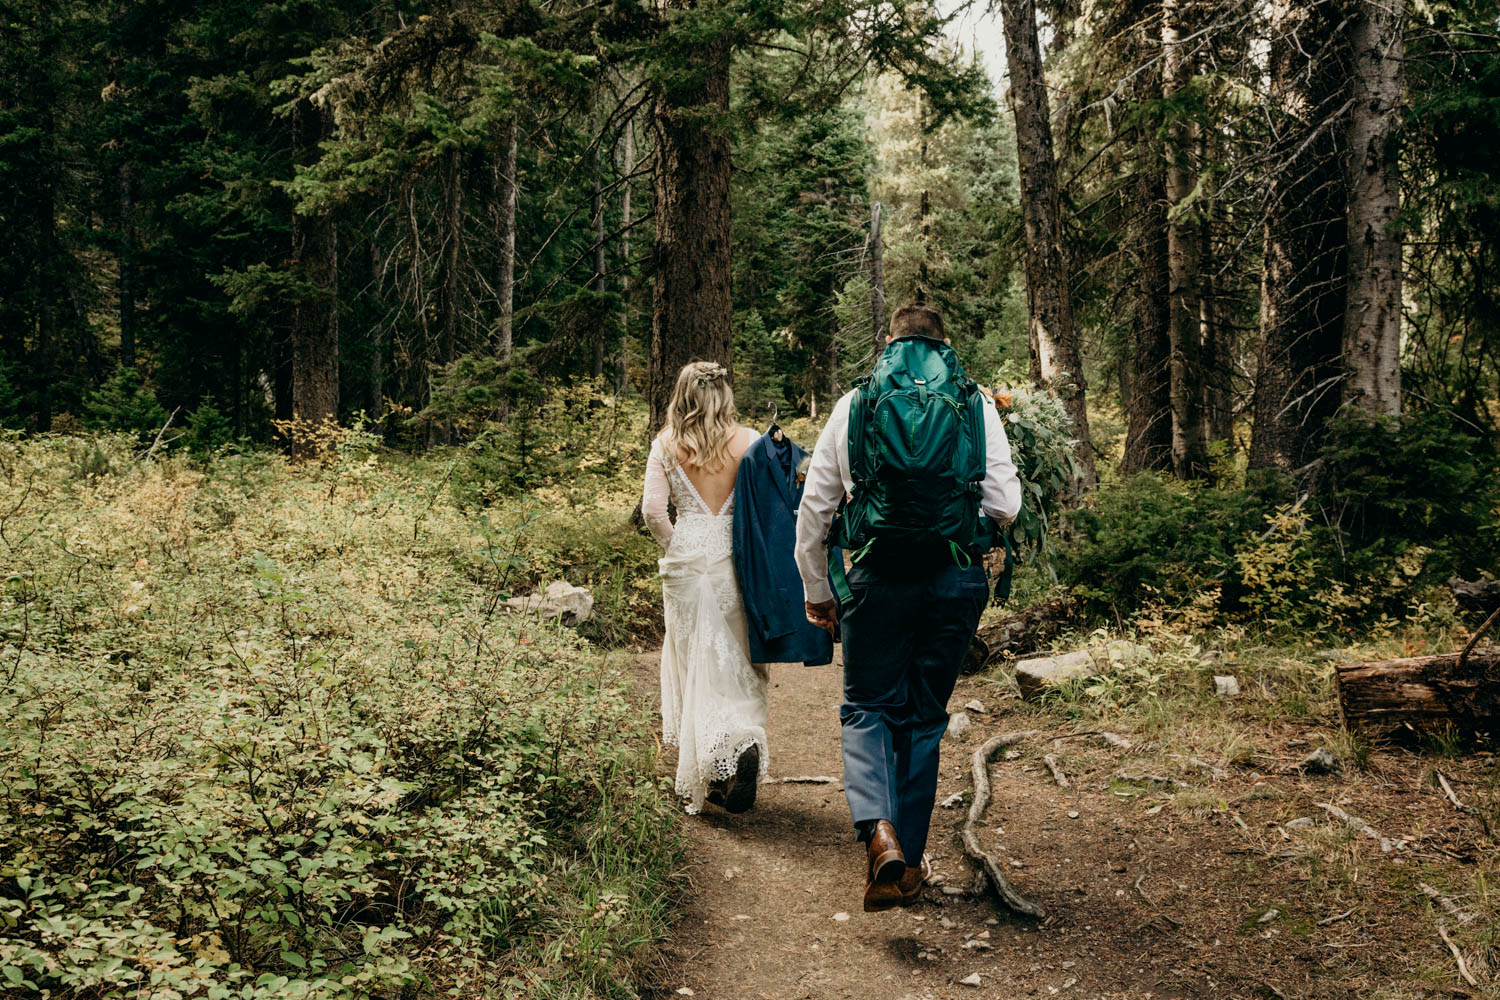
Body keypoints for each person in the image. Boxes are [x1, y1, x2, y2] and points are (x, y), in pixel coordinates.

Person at [795, 304, 1022, 911]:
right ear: (944, 345)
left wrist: (819, 591)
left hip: (875, 574)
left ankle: (878, 833)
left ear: (889, 342)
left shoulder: (857, 403)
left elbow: (815, 511)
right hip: (953, 577)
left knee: (868, 706)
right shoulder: (975, 404)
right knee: (924, 715)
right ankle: (910, 863)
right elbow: (1005, 505)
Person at [641, 361, 769, 815]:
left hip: (687, 557)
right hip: (735, 558)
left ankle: (717, 768)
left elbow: (654, 511)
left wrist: (679, 542)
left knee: (695, 660)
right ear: (724, 394)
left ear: (682, 394)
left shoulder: (666, 444)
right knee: (739, 655)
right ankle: (743, 742)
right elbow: (768, 501)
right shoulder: (750, 440)